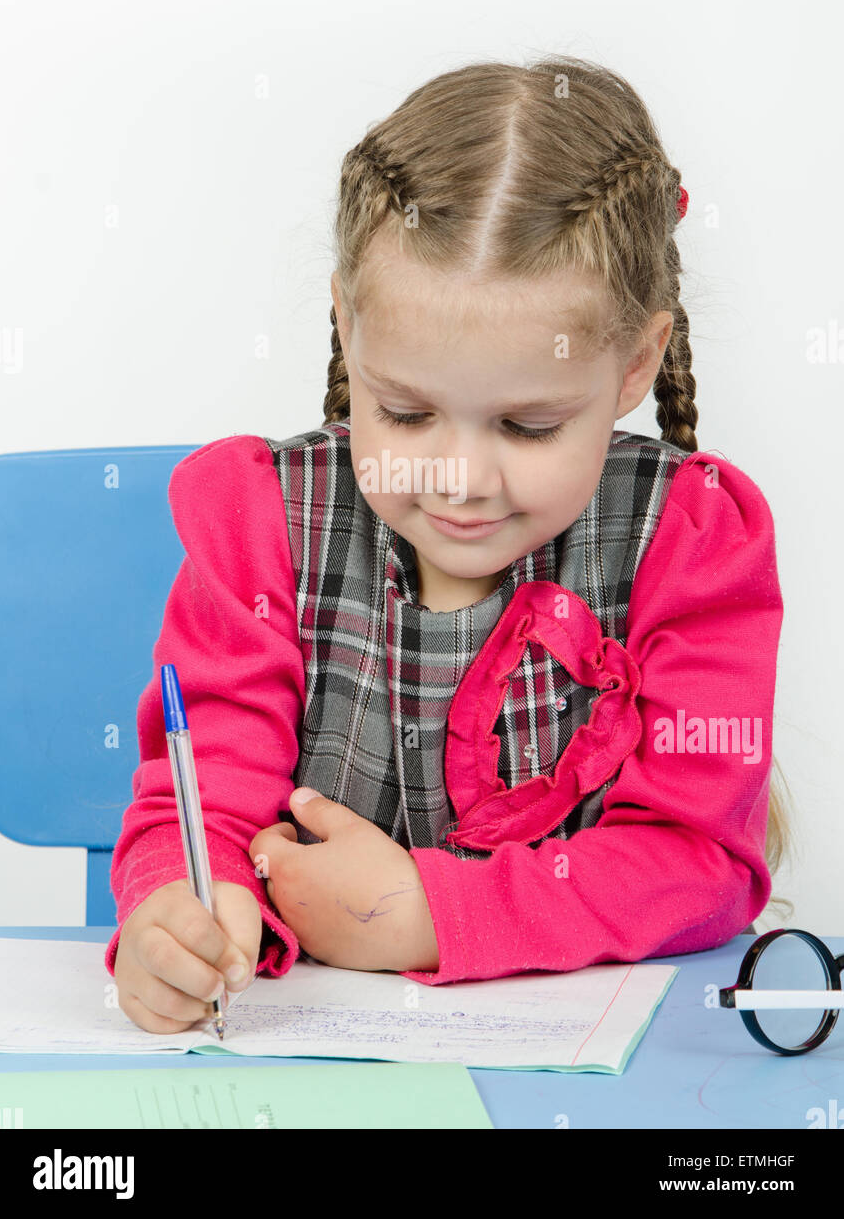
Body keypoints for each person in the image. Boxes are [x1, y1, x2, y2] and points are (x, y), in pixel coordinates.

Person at [107, 56, 787, 1036]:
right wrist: (176, 910)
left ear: (634, 362)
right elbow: (199, 802)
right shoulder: (262, 522)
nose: (459, 478)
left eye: (528, 427)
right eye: (408, 411)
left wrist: (430, 916)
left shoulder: (691, 539)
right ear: (348, 324)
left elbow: (697, 865)